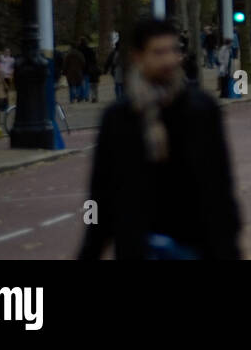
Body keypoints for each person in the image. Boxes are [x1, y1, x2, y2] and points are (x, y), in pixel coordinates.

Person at [78, 18, 240, 260]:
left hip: (197, 244)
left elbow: (220, 184)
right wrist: (91, 247)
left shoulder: (202, 109)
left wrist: (229, 244)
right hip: (139, 246)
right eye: (158, 52)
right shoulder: (119, 117)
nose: (168, 60)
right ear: (137, 56)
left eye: (174, 50)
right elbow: (101, 191)